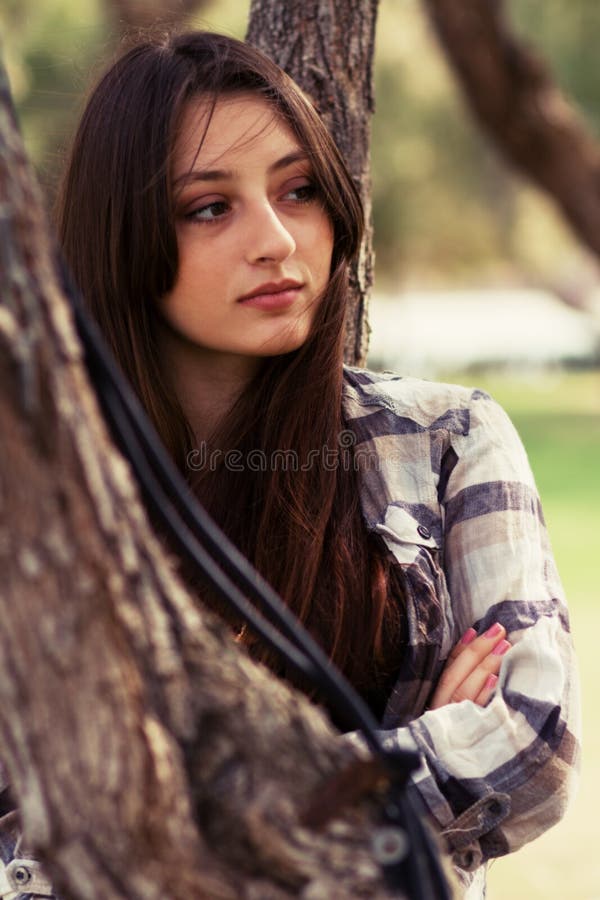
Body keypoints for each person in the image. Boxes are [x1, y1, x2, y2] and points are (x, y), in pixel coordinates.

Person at [3, 30, 580, 899]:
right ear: (123, 233)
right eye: (210, 207)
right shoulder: (42, 487)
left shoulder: (447, 439)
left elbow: (532, 743)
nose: (276, 240)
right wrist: (395, 772)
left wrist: (188, 820)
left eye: (299, 190)